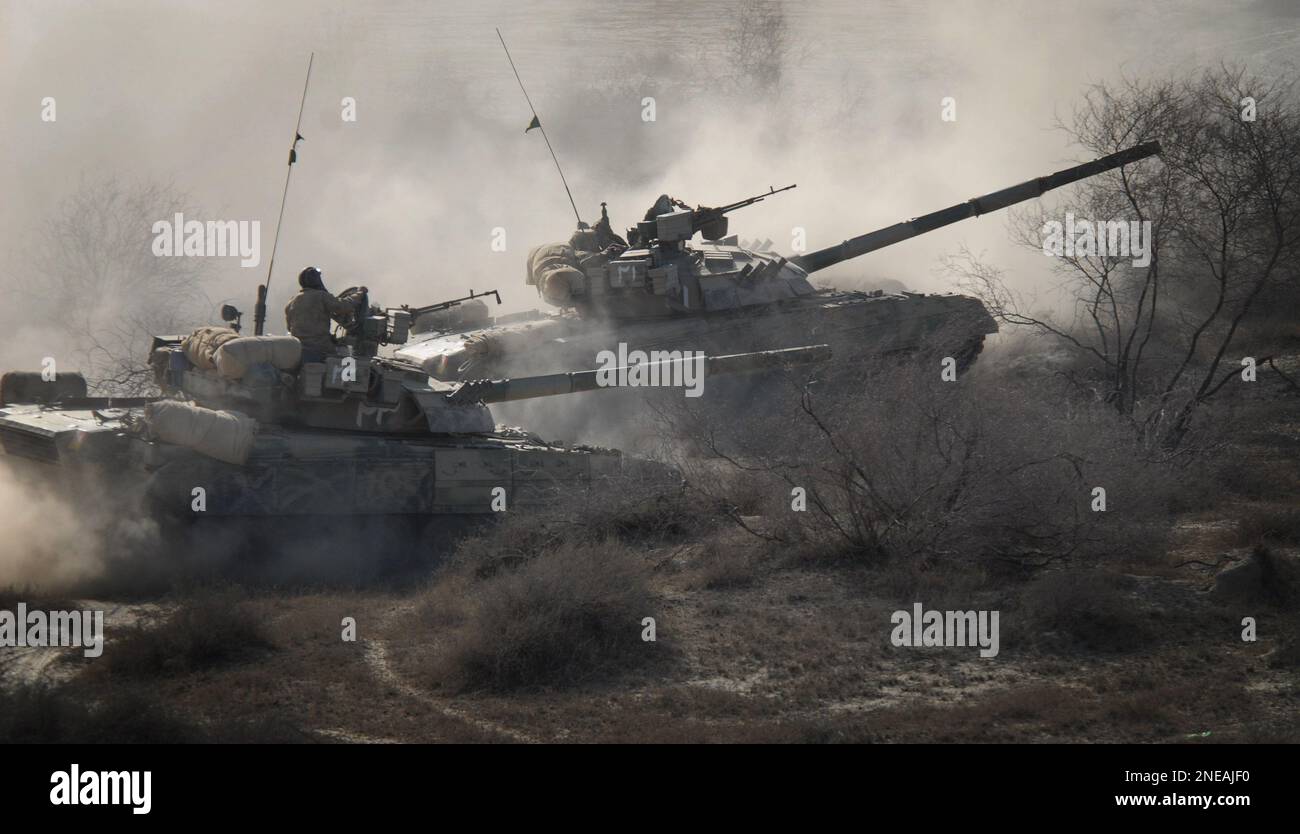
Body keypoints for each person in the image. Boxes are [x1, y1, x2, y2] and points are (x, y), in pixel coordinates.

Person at [284, 266, 354, 362]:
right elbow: (344, 306)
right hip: (321, 348)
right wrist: (360, 293)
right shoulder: (321, 296)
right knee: (344, 354)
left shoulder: (292, 301)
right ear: (316, 281)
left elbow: (289, 327)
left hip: (298, 347)